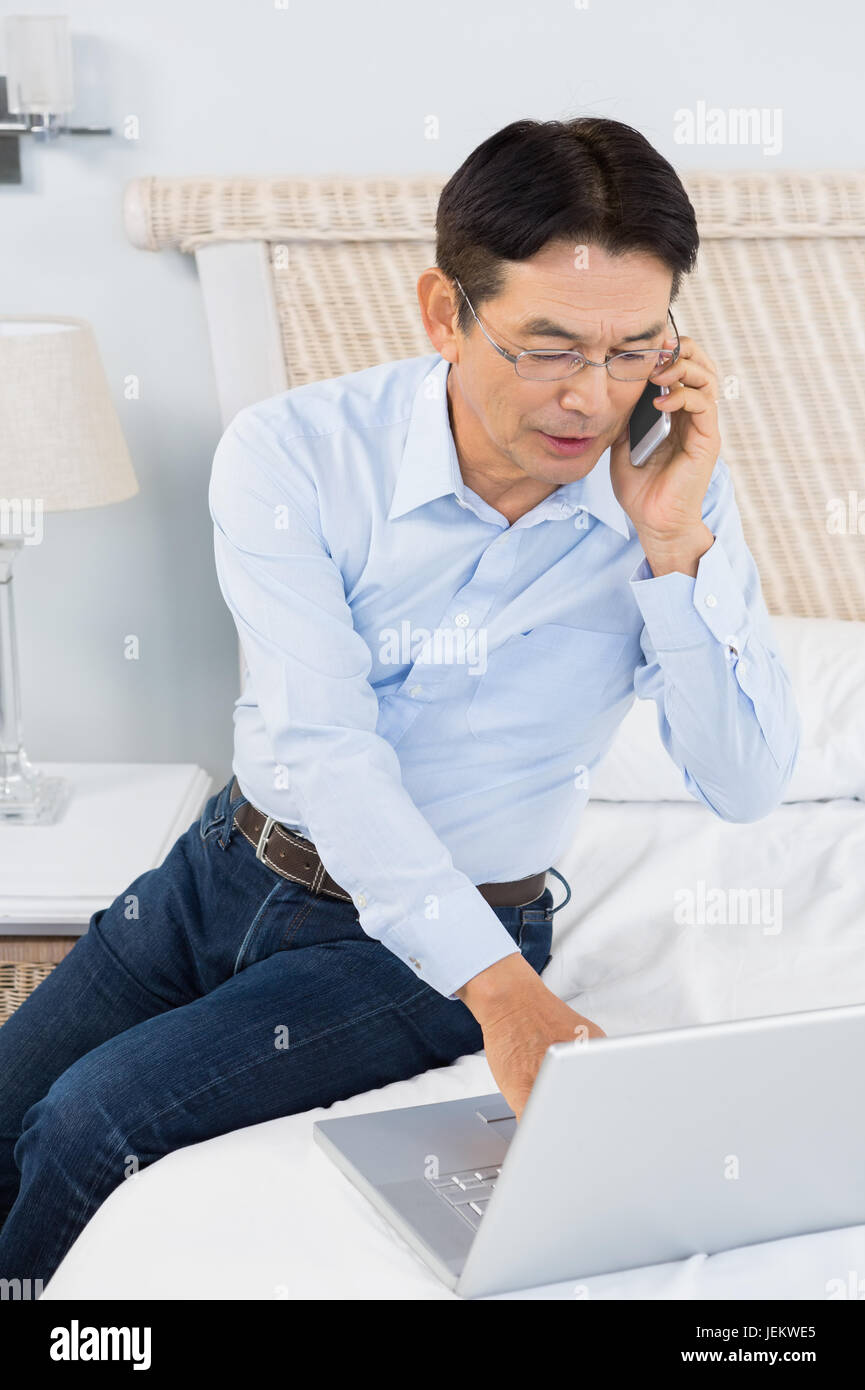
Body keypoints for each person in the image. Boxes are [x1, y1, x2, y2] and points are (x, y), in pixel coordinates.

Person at [0, 115, 799, 1290]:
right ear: (442, 312)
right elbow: (326, 746)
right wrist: (511, 1003)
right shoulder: (295, 452)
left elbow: (743, 782)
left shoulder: (667, 485)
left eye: (635, 347)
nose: (591, 396)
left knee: (85, 1129)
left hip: (427, 941)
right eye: (547, 346)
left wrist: (673, 547)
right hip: (227, 863)